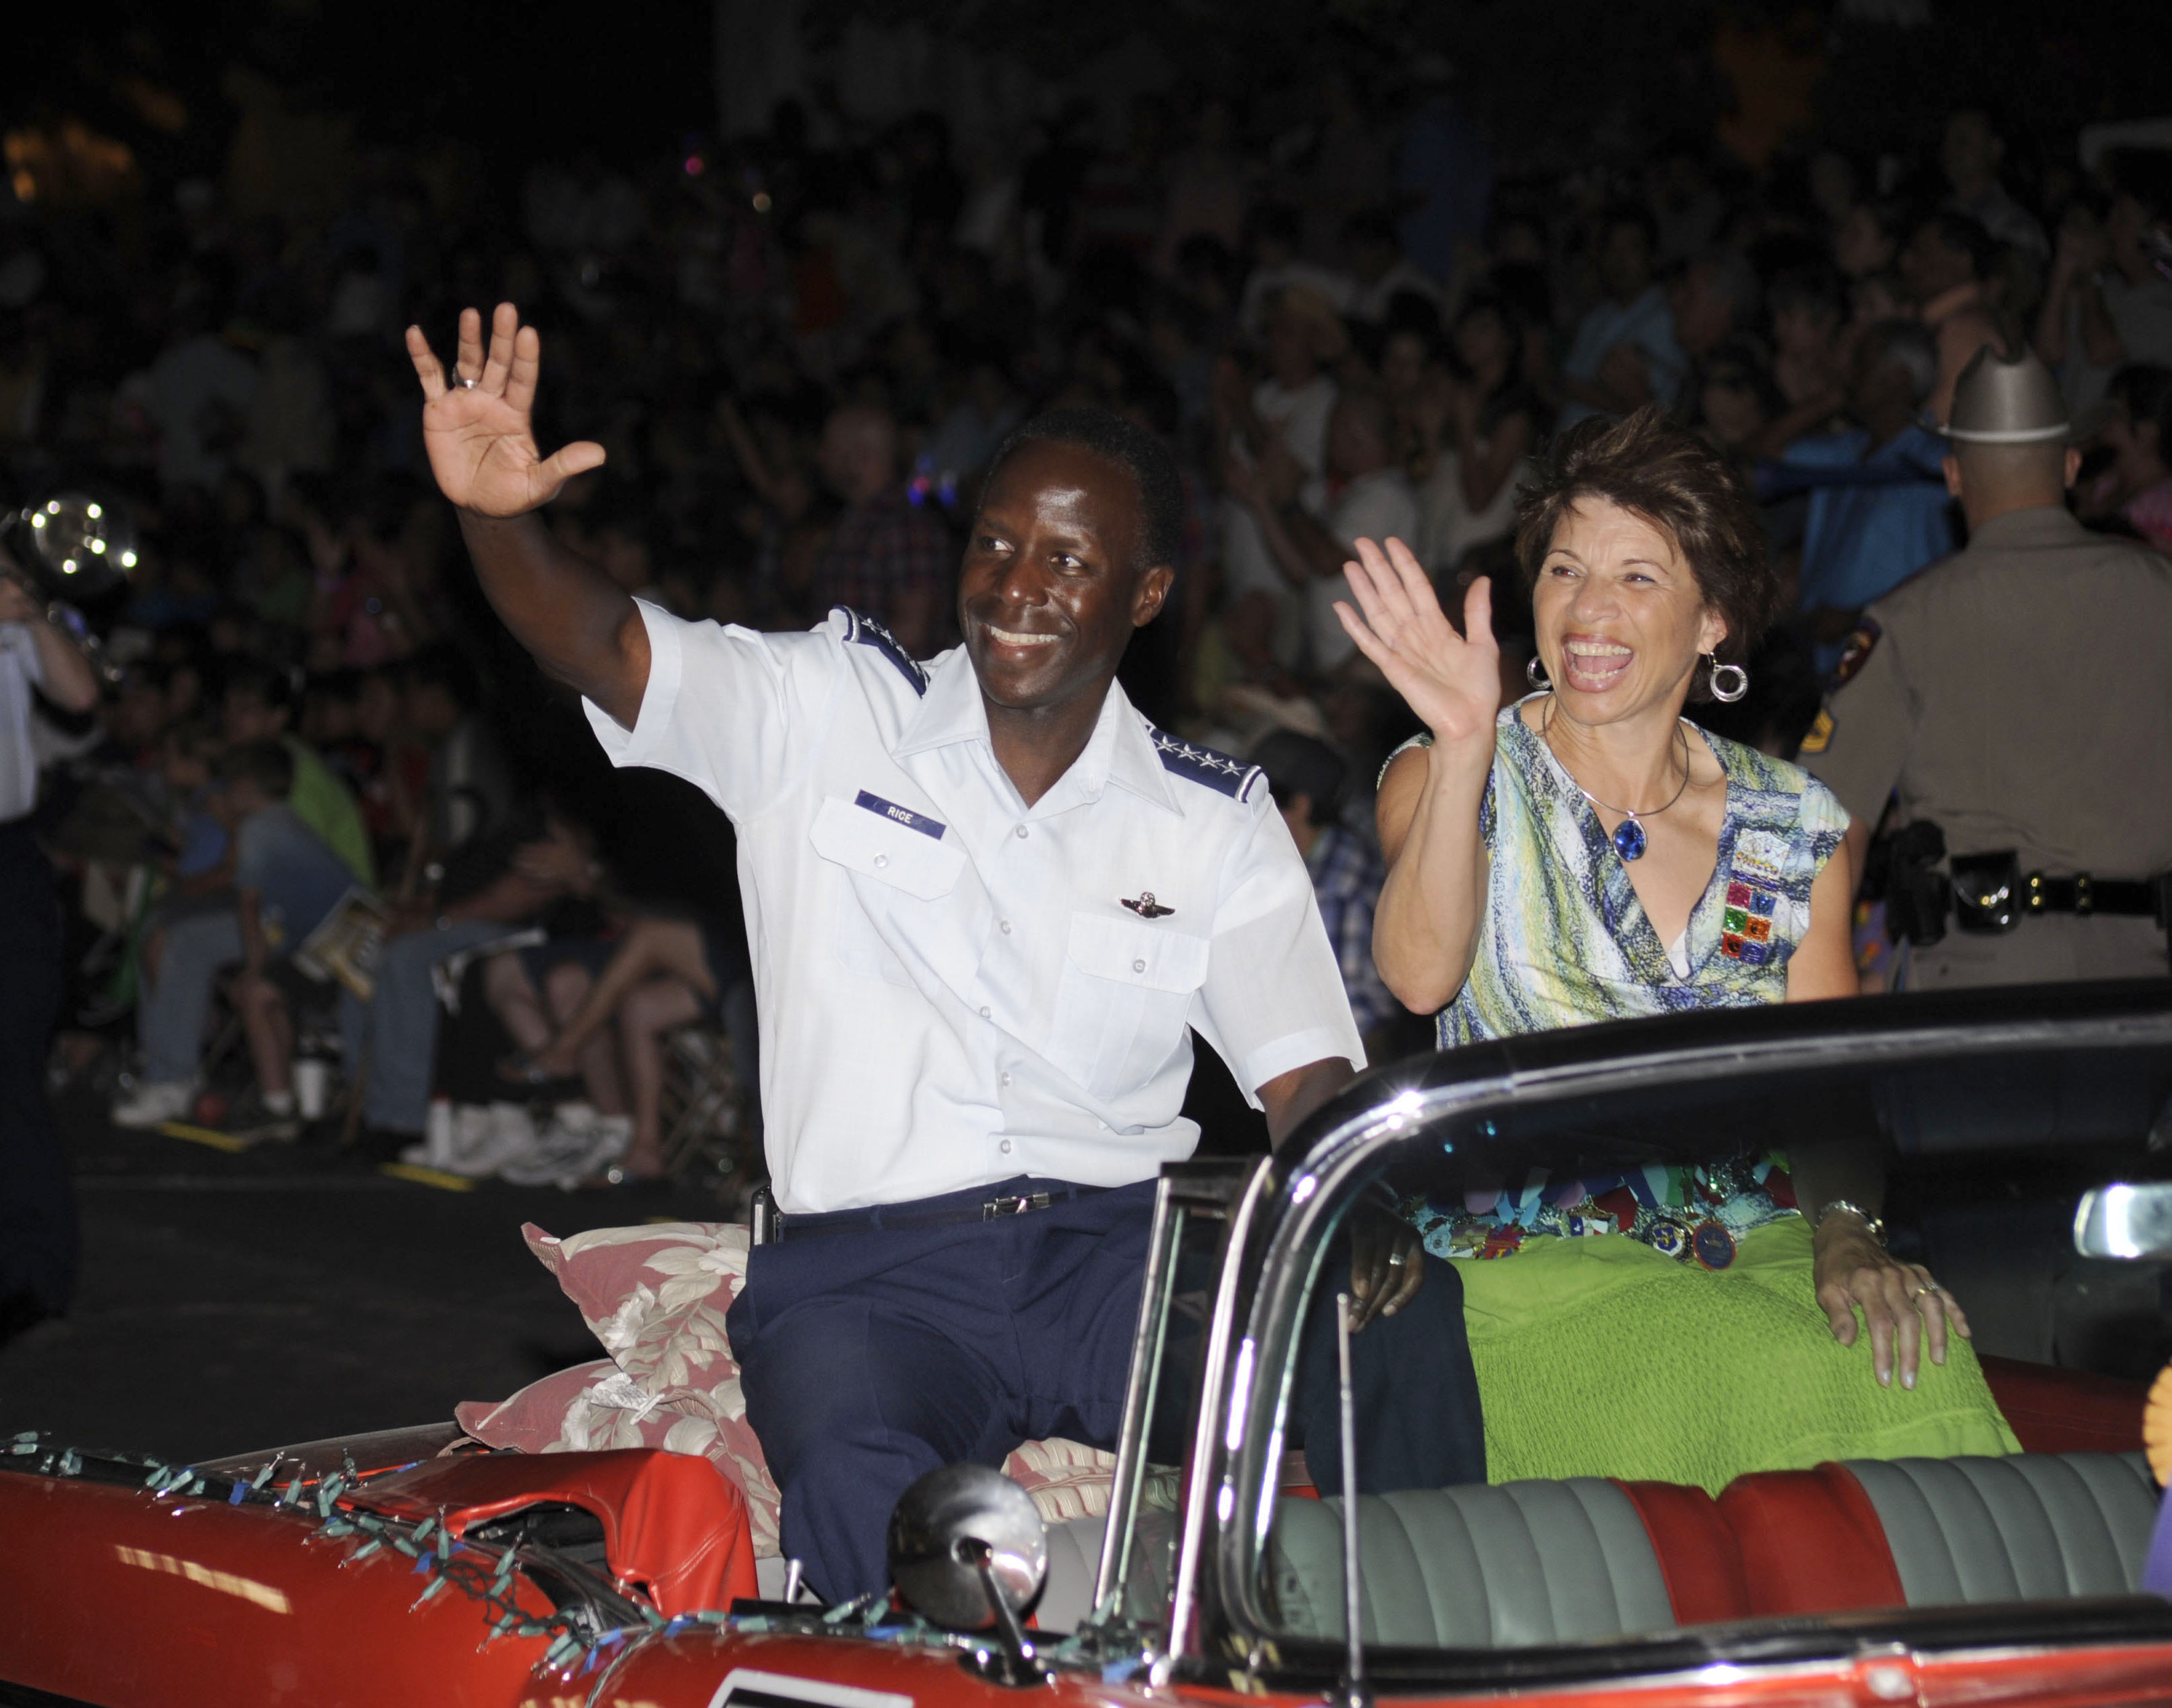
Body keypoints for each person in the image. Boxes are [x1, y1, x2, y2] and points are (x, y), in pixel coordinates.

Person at [407, 304, 1484, 1602]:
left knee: (1400, 1308)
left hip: (1115, 1260)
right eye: (997, 541)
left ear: (1145, 594)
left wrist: (1351, 1209)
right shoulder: (824, 707)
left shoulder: (1211, 818)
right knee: (878, 1485)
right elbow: (606, 644)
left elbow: (1304, 1081)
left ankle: (1428, 1651)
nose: (1020, 584)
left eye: (1070, 559)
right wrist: (495, 517)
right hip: (874, 1276)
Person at [1342, 405, 2016, 1492]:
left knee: (1921, 1362)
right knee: (1722, 1364)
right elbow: (1418, 974)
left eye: (1638, 577)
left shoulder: (1792, 826)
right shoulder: (1452, 774)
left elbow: (1826, 1090)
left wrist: (1847, 1232)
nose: (1589, 609)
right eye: (1565, 570)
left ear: (1711, 621)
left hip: (1758, 1239)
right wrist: (1467, 741)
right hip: (1532, 1256)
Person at [1801, 345, 2172, 989]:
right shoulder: (2161, 590)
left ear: (1951, 474)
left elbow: (1826, 830)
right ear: (2070, 464)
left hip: (1977, 985)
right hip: (2145, 976)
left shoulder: (1907, 618)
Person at [0, 556, 99, 1341]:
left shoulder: (12, 605)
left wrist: (31, 612)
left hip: (7, 858)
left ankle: (34, 1278)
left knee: (13, 1066)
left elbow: (80, 694)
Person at [498, 912, 753, 1181]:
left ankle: (564, 1049)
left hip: (753, 956)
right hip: (712, 946)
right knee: (639, 1007)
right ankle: (642, 1147)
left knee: (651, 933)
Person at [1778, 320, 1958, 661]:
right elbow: (1757, 458)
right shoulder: (1846, 453)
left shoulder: (1936, 463)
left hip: (1903, 659)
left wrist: (1859, 617)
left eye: (1862, 362)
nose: (1849, 371)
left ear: (1899, 380)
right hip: (1829, 666)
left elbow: (1952, 567)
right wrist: (1827, 402)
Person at [219, 740, 367, 1134]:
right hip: (346, 932)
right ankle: (282, 1098)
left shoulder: (258, 828)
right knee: (270, 994)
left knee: (256, 991)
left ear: (248, 786)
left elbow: (248, 907)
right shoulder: (284, 819)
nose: (225, 793)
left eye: (230, 783)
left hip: (346, 936)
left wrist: (255, 969)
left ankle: (278, 1106)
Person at [1223, 385, 1419, 674]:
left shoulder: (1384, 494)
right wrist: (1262, 506)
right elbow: (1303, 572)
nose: (1328, 442)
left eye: (1333, 431)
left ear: (1353, 433)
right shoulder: (1357, 494)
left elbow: (1328, 561)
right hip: (1337, 662)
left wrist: (1290, 500)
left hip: (1361, 668)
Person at [1252, 731, 1399, 1057]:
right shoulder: (1321, 850)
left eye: (1257, 797)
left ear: (1300, 805)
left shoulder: (1333, 889)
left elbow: (1349, 1015)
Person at [806, 403, 951, 658]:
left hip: (884, 692)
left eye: (830, 447)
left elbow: (915, 631)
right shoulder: (854, 519)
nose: (821, 457)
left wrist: (836, 660)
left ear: (859, 455)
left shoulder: (905, 525)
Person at [1557, 205, 1687, 430]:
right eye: (1612, 249)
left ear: (1652, 255)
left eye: (1631, 248)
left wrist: (1566, 383)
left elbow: (1660, 414)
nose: (1619, 259)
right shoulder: (1595, 318)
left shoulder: (1669, 317)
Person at [1898, 209, 2005, 424]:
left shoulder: (1965, 331)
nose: (1905, 263)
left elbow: (1941, 421)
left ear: (1963, 259)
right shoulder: (1946, 322)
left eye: (1921, 253)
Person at [2078, 363, 2172, 549]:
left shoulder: (2165, 504)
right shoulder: (2101, 485)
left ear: (2147, 432)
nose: (2102, 423)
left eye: (2114, 414)